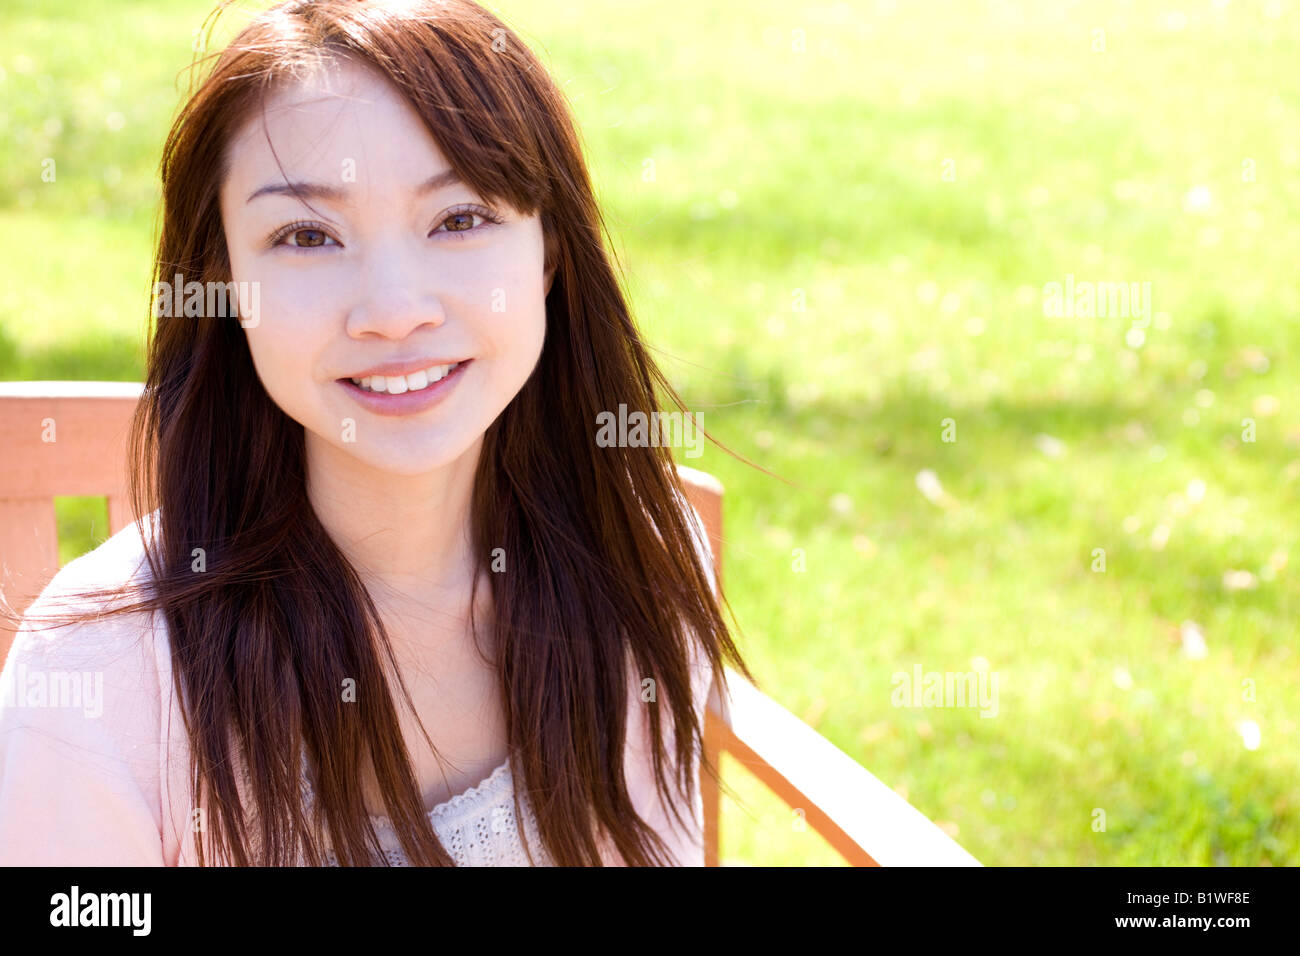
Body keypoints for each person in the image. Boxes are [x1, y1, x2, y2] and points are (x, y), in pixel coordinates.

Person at [0, 0, 754, 866]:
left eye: (459, 219)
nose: (394, 311)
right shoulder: (101, 678)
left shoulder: (637, 564)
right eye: (307, 236)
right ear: (223, 285)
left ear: (547, 254)